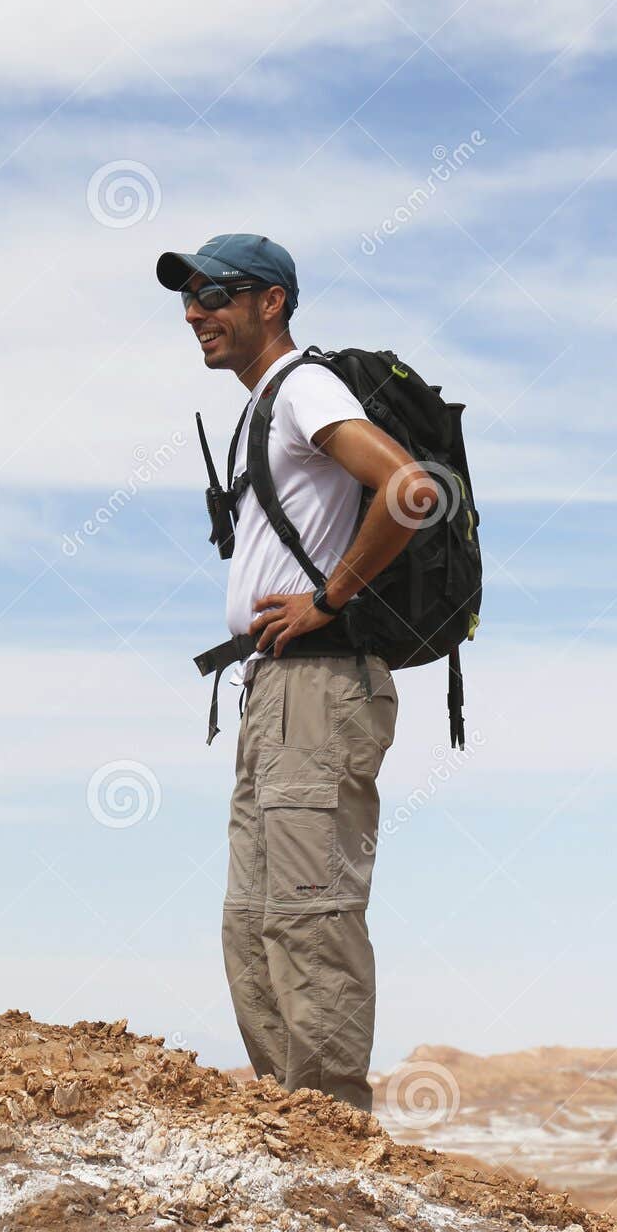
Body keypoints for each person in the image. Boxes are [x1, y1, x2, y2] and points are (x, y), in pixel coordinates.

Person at [156, 234, 435, 1112]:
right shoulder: (263, 405)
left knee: (311, 914)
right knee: (252, 922)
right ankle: (292, 1122)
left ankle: (334, 1124)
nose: (196, 312)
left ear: (269, 302)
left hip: (318, 685)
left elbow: (410, 490)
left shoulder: (303, 387)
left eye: (215, 295)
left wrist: (330, 595)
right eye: (188, 298)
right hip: (274, 691)